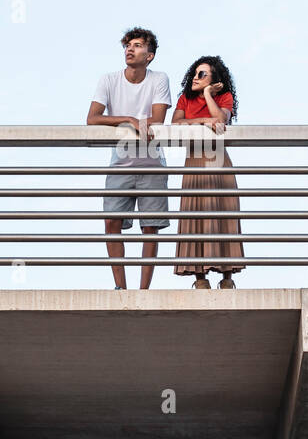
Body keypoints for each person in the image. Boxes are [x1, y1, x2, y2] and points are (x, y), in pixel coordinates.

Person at [86, 27, 172, 289]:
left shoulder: (159, 79)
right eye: (127, 45)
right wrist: (128, 119)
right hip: (119, 164)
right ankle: (120, 288)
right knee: (111, 222)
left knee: (150, 228)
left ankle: (144, 291)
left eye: (137, 45)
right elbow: (92, 119)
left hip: (152, 164)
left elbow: (157, 121)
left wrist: (137, 121)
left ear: (150, 55)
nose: (130, 49)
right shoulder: (109, 80)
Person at [171, 56, 244, 289]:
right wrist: (204, 120)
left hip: (219, 162)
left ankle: (227, 278)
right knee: (195, 213)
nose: (195, 76)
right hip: (193, 162)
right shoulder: (184, 99)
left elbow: (221, 121)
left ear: (215, 80)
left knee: (223, 213)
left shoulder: (224, 97)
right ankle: (200, 279)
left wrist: (208, 96)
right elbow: (175, 125)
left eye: (202, 74)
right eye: (195, 72)